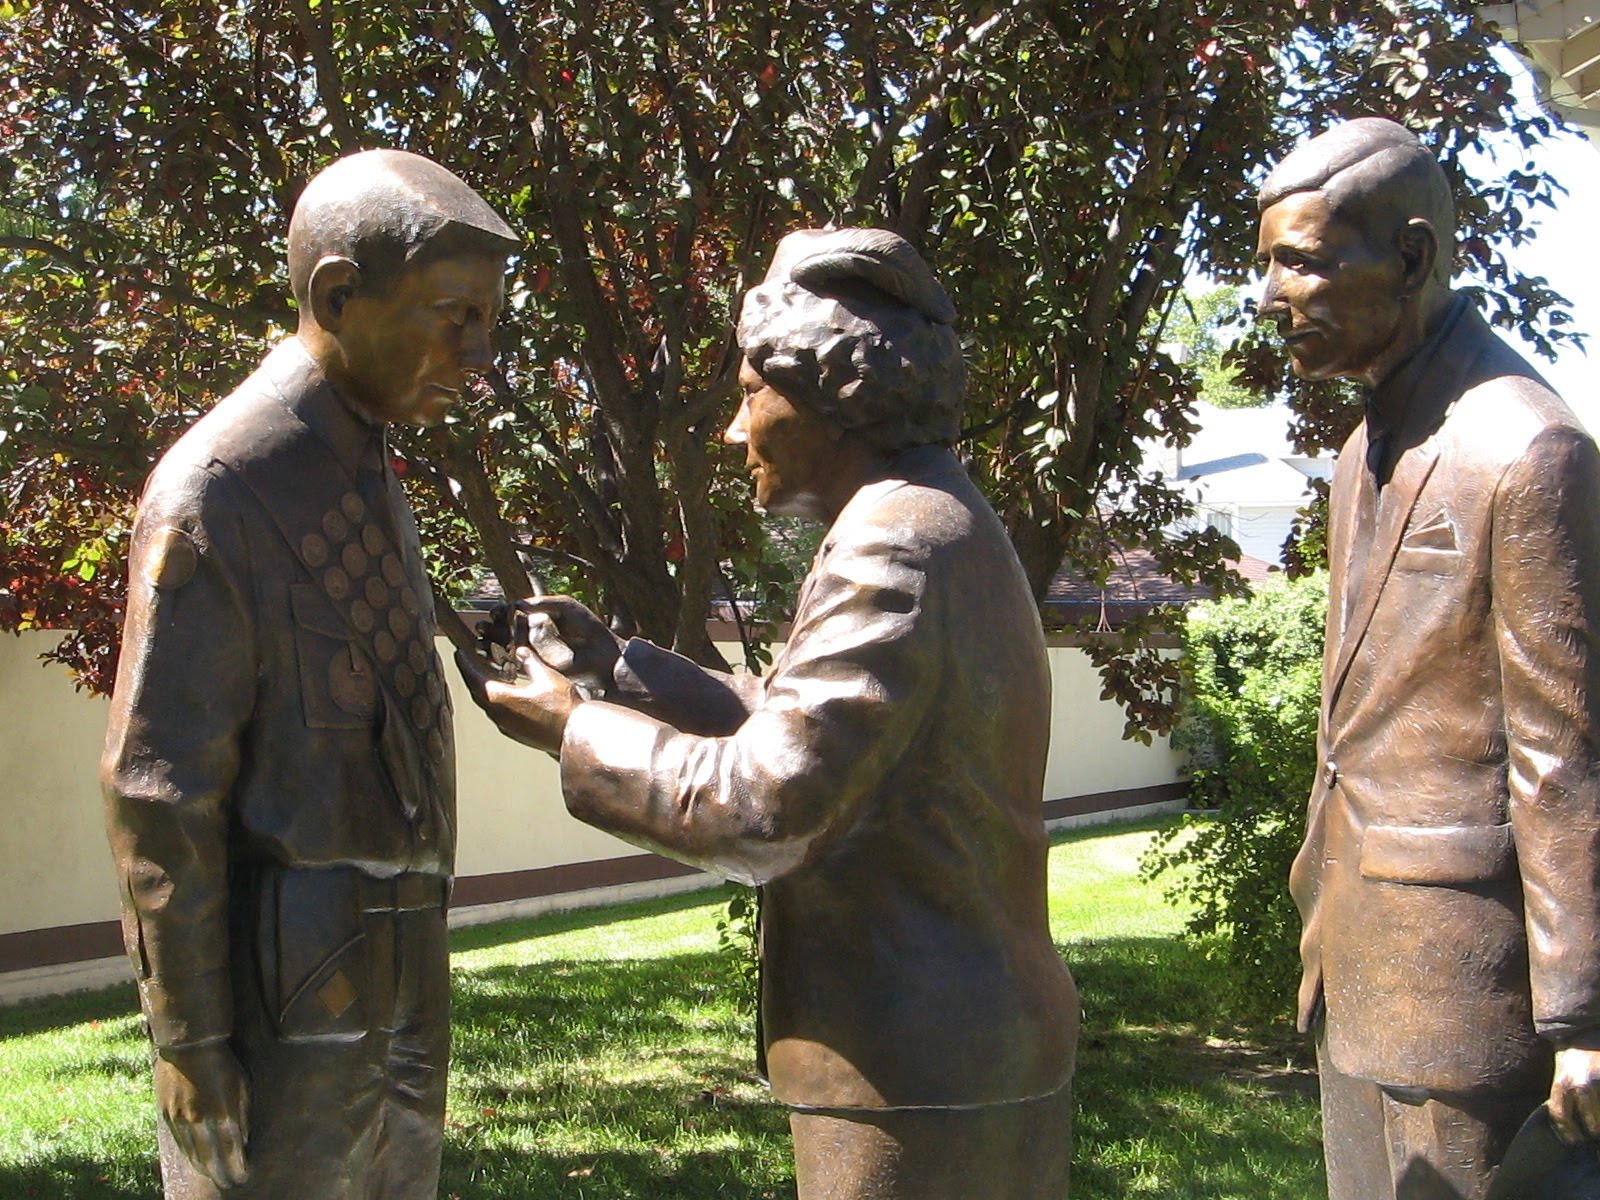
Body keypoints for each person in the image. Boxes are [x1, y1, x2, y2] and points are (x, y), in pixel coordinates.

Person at [459, 227, 1078, 1199]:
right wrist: (616, 669)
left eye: (750, 393)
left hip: (912, 1061)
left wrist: (567, 727)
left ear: (834, 390)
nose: (733, 431)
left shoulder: (894, 544)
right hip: (945, 1047)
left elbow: (764, 804)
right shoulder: (924, 519)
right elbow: (800, 730)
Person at [101, 148, 518, 1199]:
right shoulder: (225, 487)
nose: (480, 355)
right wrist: (189, 1042)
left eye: (486, 319)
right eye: (451, 316)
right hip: (288, 987)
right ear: (338, 295)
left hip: (402, 966)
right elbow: (158, 788)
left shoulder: (367, 460)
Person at [1257, 118, 1600, 1199]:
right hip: (1355, 961)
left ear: (1409, 257)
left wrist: (1582, 1016)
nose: (1270, 294)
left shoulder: (1527, 450)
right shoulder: (1364, 445)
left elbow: (1565, 754)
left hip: (1470, 1000)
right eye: (1266, 261)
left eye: (1302, 261)